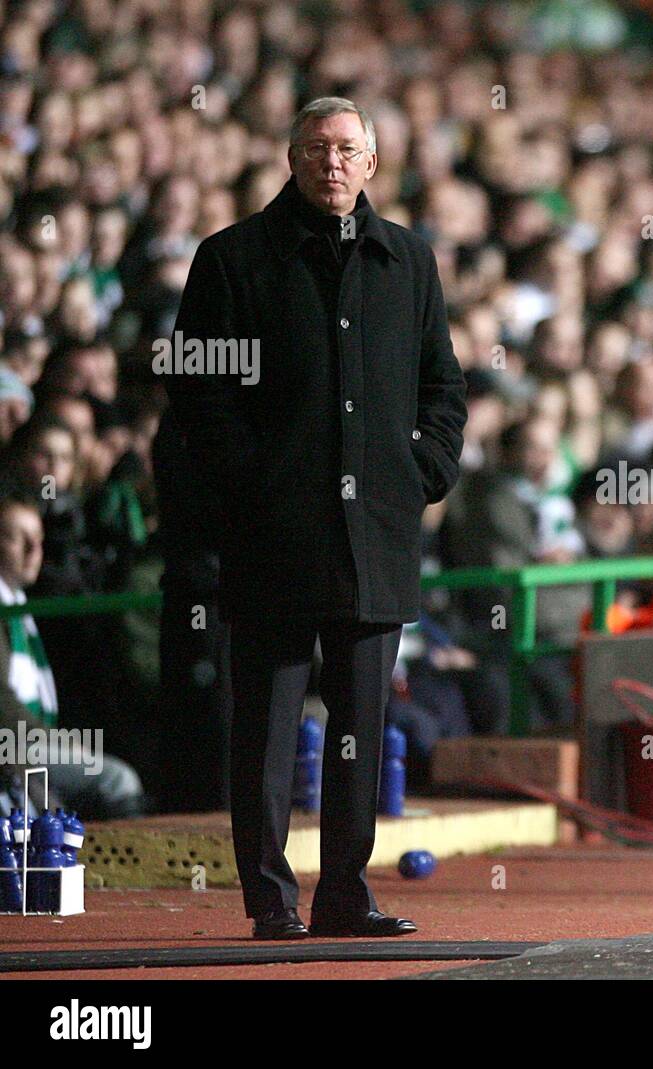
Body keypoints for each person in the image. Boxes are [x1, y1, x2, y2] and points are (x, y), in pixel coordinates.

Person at [163, 98, 467, 940]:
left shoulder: (409, 259)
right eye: (316, 147)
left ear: (372, 163)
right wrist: (252, 485)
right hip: (273, 539)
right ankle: (270, 899)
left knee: (360, 730)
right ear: (290, 158)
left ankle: (344, 891)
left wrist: (422, 472)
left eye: (348, 149)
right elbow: (198, 390)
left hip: (377, 534)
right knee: (264, 728)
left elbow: (442, 385)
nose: (333, 162)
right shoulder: (231, 259)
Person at [0, 495, 145, 818]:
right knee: (119, 781)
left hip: (23, 740)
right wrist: (61, 742)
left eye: (37, 540)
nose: (33, 551)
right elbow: (2, 706)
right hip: (10, 744)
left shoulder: (20, 604)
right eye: (16, 538)